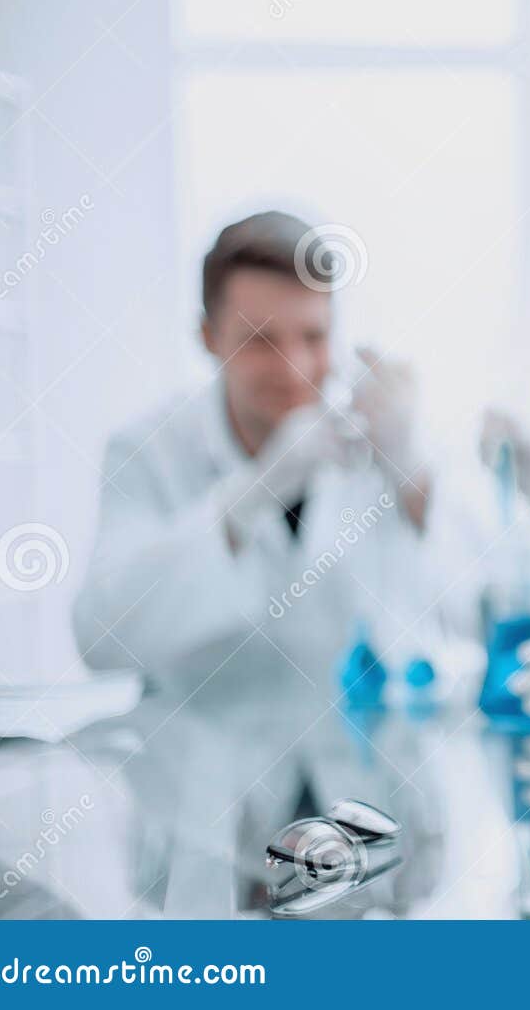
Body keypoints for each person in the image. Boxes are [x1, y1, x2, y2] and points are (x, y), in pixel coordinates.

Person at [72, 211, 488, 701]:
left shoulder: (376, 438)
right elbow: (101, 639)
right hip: (202, 761)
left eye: (313, 337)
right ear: (208, 339)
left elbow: (476, 614)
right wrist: (245, 502)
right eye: (260, 341)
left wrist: (414, 481)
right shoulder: (148, 451)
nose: (294, 369)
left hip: (360, 760)